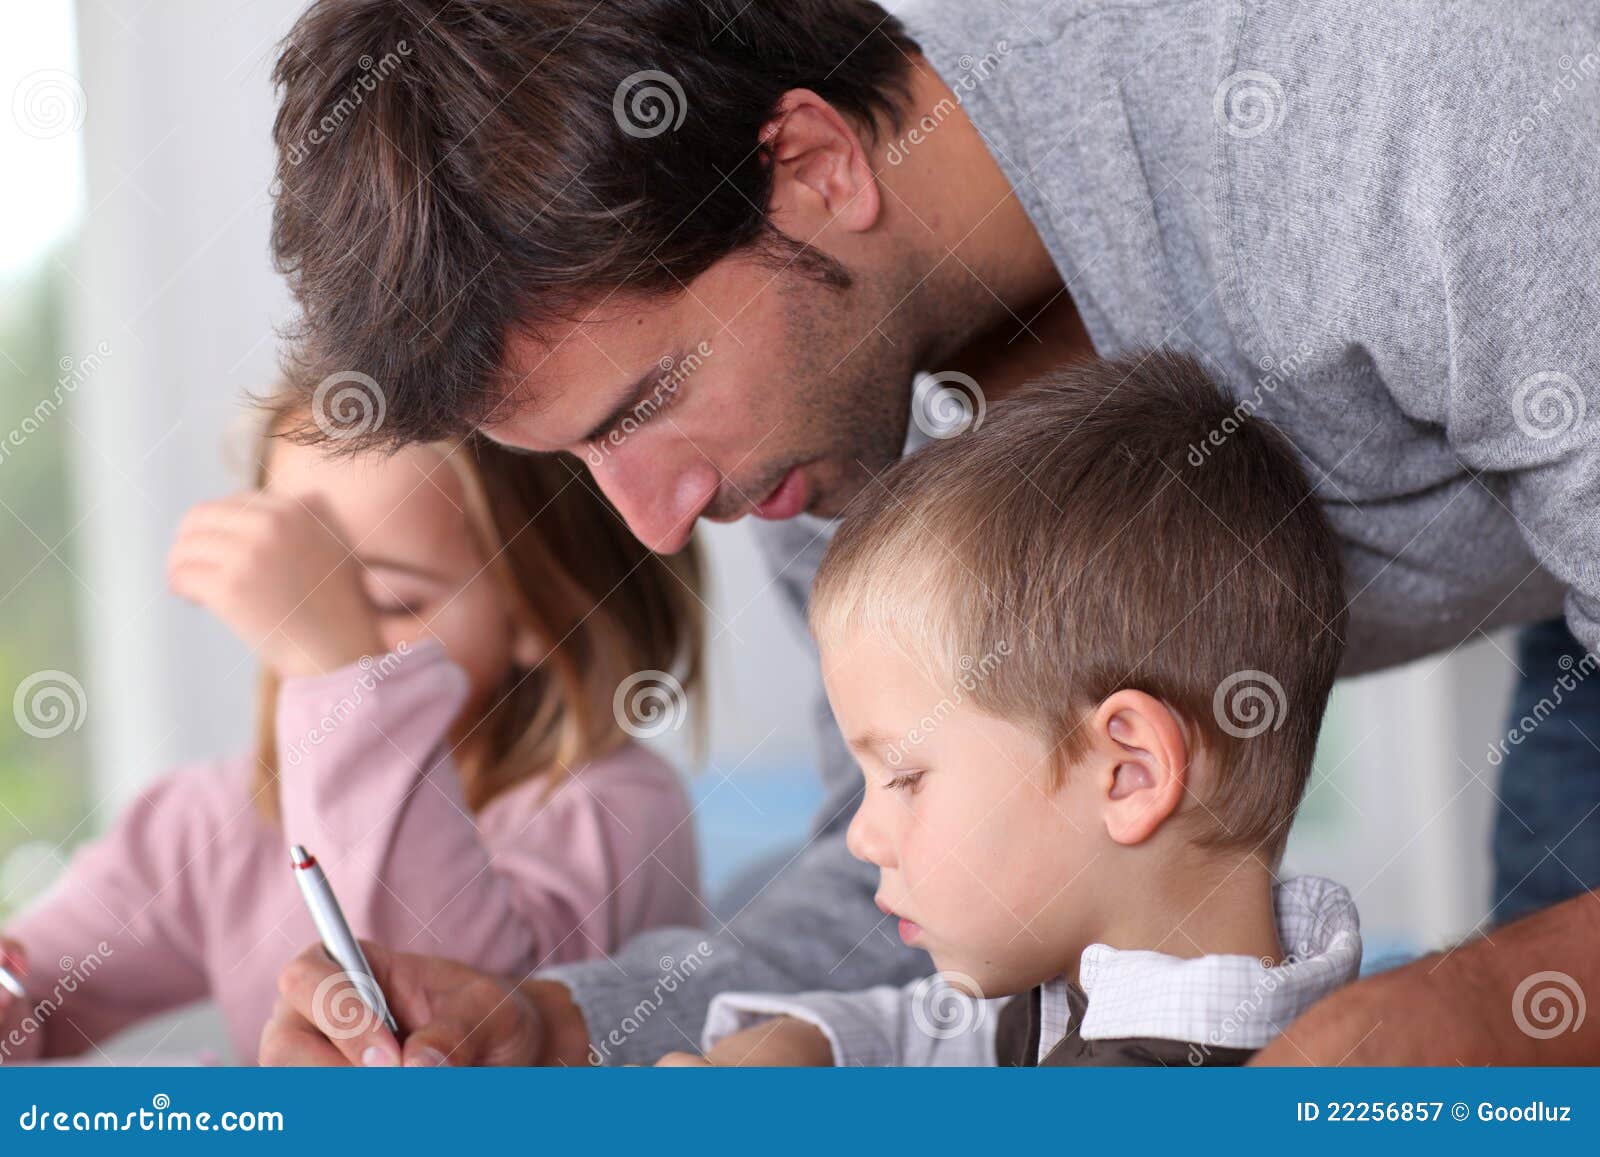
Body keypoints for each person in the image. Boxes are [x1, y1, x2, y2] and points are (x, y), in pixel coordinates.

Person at [260, 0, 1600, 1066]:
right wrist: (560, 1027)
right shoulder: (823, 424)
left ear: (818, 165)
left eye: (648, 400)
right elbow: (919, 878)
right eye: (578, 456)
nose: (657, 520)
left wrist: (1469, 1008)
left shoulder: (1421, 122)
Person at [656, 355, 1362, 1068]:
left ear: (1129, 774)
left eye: (905, 778)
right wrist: (795, 1046)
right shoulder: (1081, 981)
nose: (863, 839)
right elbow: (936, 1033)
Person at [0, 395, 703, 1064]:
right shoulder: (211, 823)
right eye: (300, 589)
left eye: (383, 598)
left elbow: (451, 1044)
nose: (326, 626)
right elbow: (40, 996)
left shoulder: (613, 808)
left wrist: (338, 669)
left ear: (538, 609)